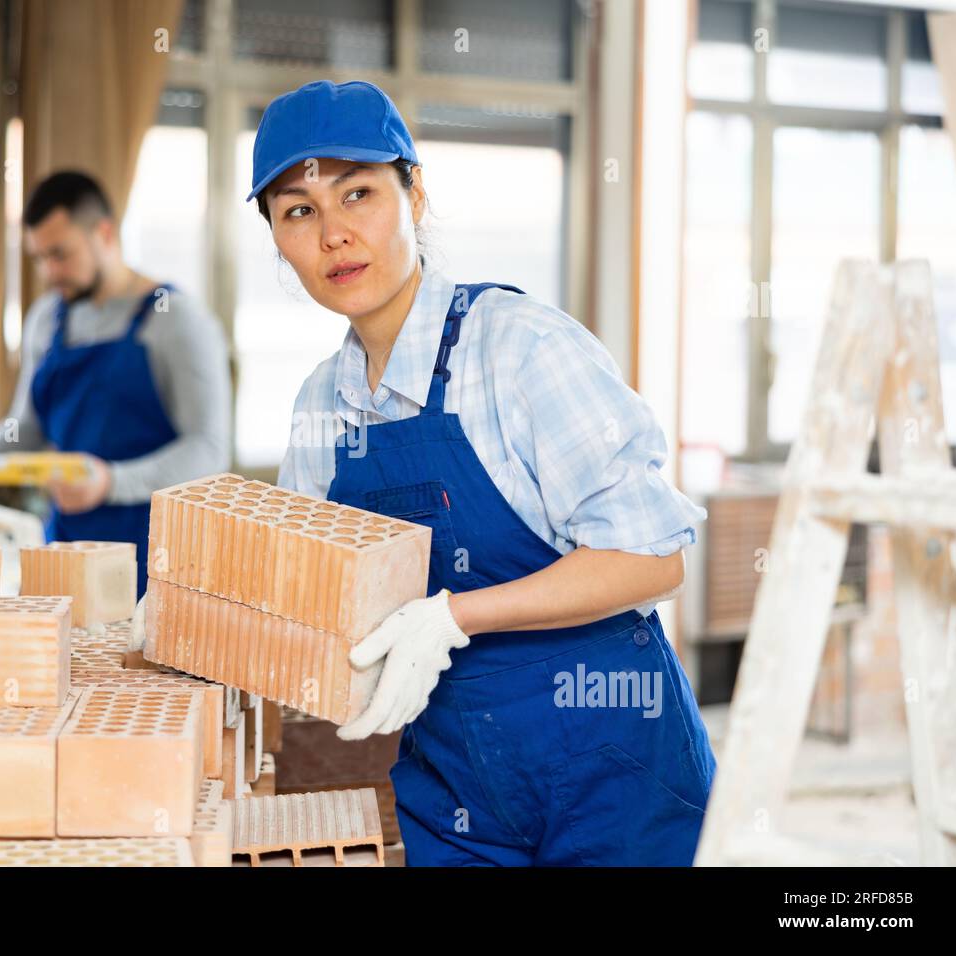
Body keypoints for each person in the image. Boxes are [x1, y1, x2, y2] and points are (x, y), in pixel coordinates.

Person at [239, 79, 715, 866]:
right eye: (298, 211)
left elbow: (653, 559)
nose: (333, 235)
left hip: (613, 774)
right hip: (456, 788)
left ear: (414, 193)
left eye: (358, 193)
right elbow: (312, 589)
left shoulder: (521, 350)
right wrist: (200, 611)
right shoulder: (323, 403)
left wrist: (455, 616)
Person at [0, 170, 231, 597]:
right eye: (39, 258)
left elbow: (209, 450)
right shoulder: (47, 320)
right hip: (67, 552)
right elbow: (25, 432)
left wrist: (109, 482)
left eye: (60, 254)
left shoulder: (175, 320)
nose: (49, 272)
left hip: (161, 565)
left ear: (104, 233)